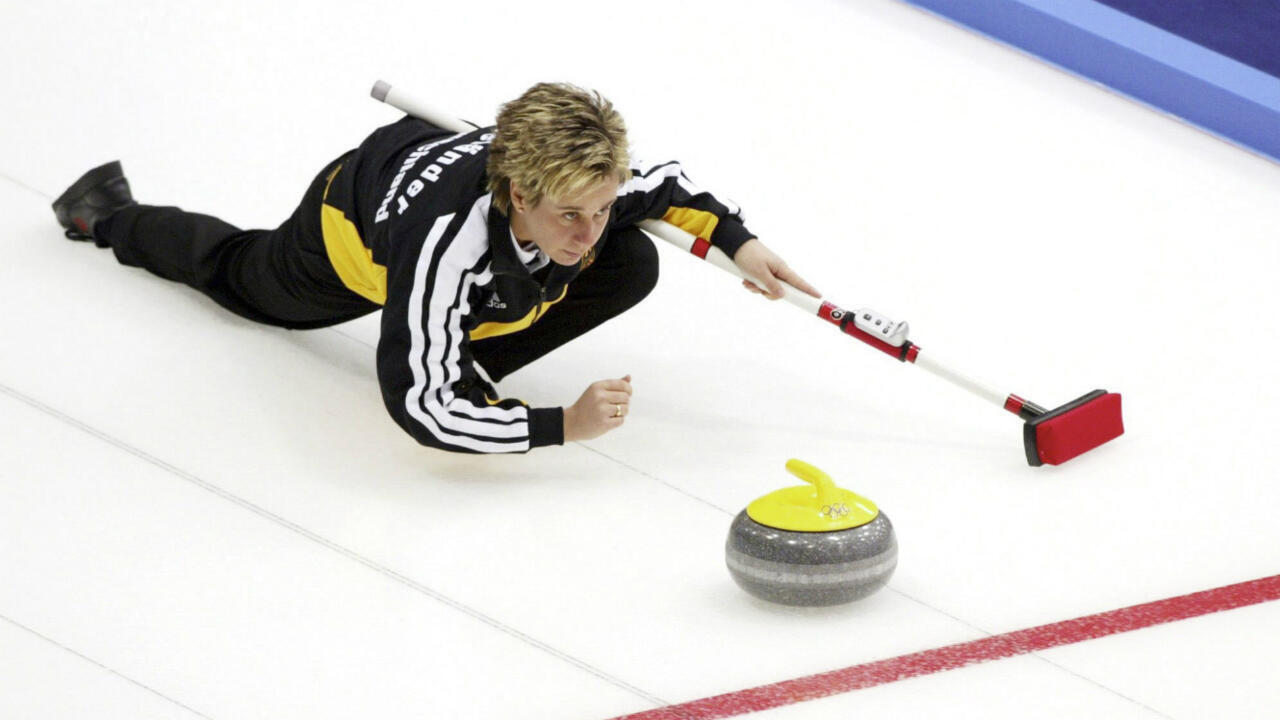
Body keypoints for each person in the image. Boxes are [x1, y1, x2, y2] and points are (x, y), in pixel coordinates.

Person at [51, 82, 819, 453]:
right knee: (239, 276)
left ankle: (473, 358)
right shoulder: (443, 251)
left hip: (460, 209)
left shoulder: (585, 185)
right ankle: (108, 215)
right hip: (348, 236)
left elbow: (669, 186)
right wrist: (562, 425)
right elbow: (420, 408)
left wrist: (740, 244)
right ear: (521, 194)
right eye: (570, 216)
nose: (590, 231)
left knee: (632, 258)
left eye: (602, 205)